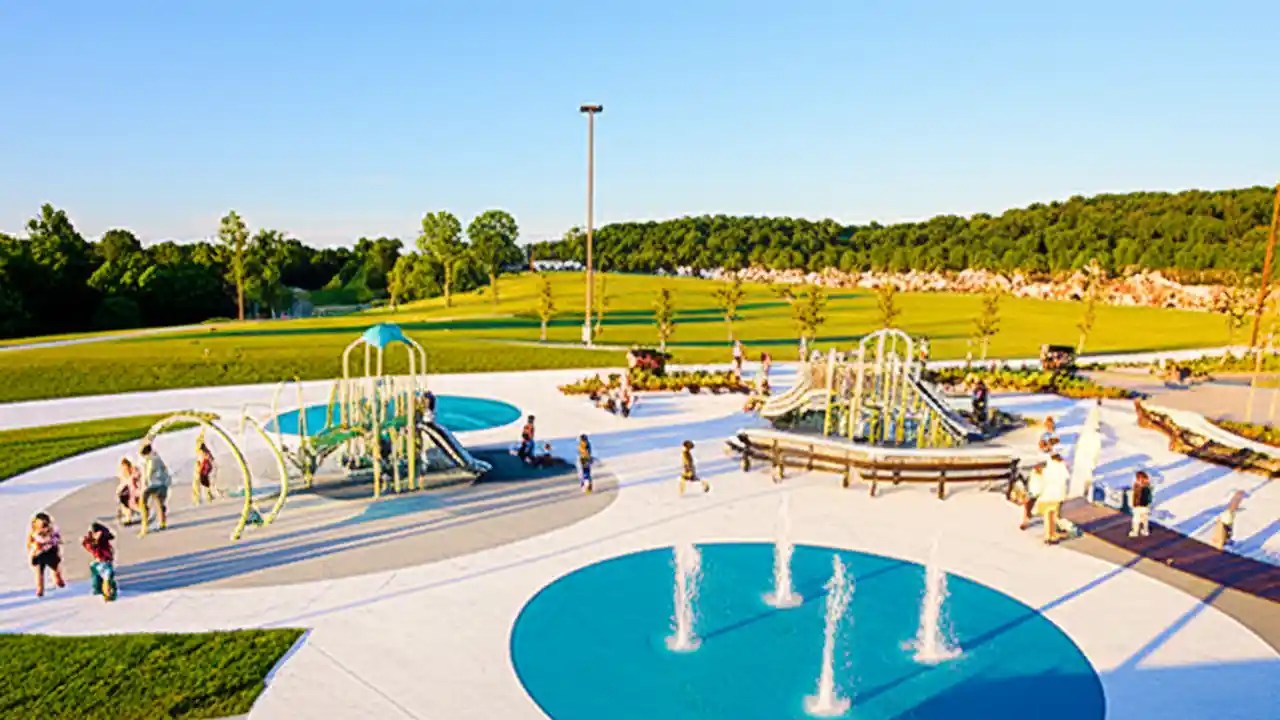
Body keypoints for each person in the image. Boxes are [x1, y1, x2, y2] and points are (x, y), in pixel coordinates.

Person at [26, 512, 64, 597]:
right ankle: (40, 589)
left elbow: (58, 539)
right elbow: (29, 544)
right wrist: (33, 548)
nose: (43, 528)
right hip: (39, 555)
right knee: (39, 573)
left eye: (45, 525)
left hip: (51, 552)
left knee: (55, 568)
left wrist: (55, 541)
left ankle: (58, 580)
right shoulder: (33, 534)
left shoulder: (53, 532)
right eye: (41, 526)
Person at [1036, 453, 1070, 544]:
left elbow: (1042, 478)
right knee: (1054, 514)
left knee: (1048, 515)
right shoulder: (1061, 466)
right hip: (1056, 495)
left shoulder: (1047, 466)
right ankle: (1052, 534)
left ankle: (1048, 535)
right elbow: (1066, 478)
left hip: (1046, 494)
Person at [138, 443, 172, 534]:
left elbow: (148, 474)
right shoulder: (152, 459)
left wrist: (143, 484)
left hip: (156, 484)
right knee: (158, 504)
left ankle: (152, 522)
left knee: (155, 503)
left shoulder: (153, 460)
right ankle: (159, 522)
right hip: (157, 484)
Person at [82, 522, 117, 602]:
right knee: (99, 583)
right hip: (98, 564)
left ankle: (107, 595)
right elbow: (90, 547)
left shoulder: (104, 539)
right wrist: (92, 541)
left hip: (104, 564)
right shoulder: (92, 542)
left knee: (105, 580)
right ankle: (105, 595)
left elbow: (110, 536)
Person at [115, 457, 141, 526]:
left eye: (126, 467)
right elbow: (121, 484)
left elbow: (137, 477)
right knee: (125, 504)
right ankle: (128, 517)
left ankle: (142, 512)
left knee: (133, 503)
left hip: (134, 491)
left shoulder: (133, 473)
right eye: (123, 468)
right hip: (125, 492)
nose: (124, 470)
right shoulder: (122, 475)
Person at [1020, 463, 1045, 531]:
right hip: (1033, 491)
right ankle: (1025, 521)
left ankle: (1026, 519)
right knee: (1027, 504)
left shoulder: (1045, 472)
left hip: (1042, 492)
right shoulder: (1033, 472)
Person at [1129, 470, 1154, 538]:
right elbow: (1150, 498)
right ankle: (1145, 531)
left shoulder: (1138, 487)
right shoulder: (1148, 487)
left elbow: (1136, 496)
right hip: (1145, 506)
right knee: (1145, 519)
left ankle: (1135, 532)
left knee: (1136, 520)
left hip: (1138, 506)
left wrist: (1133, 505)